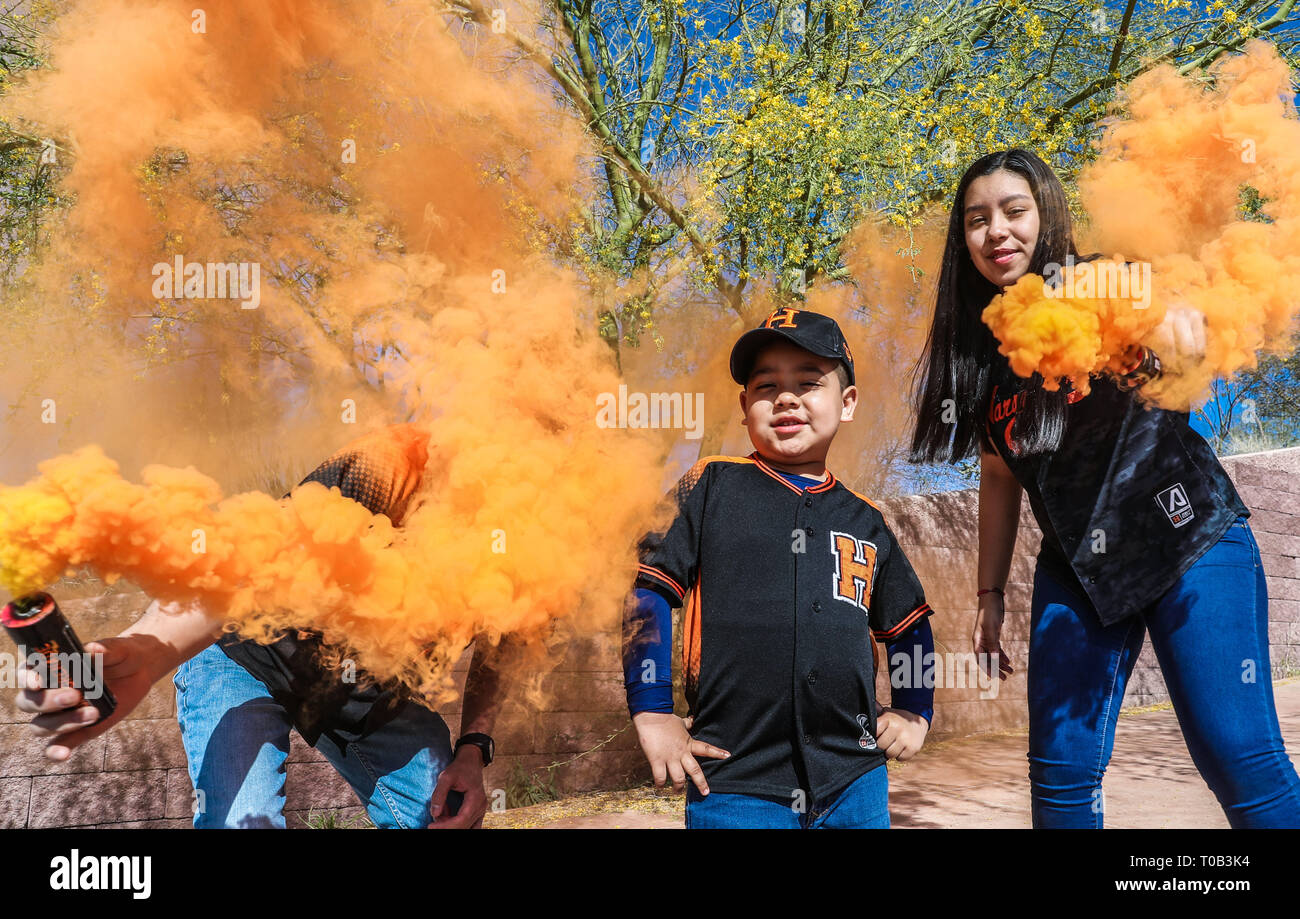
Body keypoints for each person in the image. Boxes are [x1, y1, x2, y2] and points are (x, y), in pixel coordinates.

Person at [908, 147, 1300, 828]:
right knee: (1059, 778)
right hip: (1078, 573)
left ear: (1047, 214)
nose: (995, 230)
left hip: (1190, 542)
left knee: (1238, 755)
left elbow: (1170, 313)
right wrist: (990, 596)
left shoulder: (1100, 282)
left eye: (1013, 210)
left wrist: (1181, 323)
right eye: (976, 219)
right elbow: (999, 474)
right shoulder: (981, 358)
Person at [18, 423, 504, 829]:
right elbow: (260, 559)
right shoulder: (397, 462)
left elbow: (511, 647)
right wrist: (154, 649)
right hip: (246, 652)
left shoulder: (548, 533)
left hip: (368, 694)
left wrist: (473, 749)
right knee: (243, 820)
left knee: (452, 815)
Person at [623, 307, 936, 829]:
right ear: (745, 405)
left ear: (848, 402)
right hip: (735, 778)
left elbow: (909, 625)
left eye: (809, 382)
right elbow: (648, 593)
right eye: (766, 385)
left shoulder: (868, 519)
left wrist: (914, 709)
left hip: (854, 779)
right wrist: (652, 708)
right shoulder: (709, 486)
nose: (786, 397)